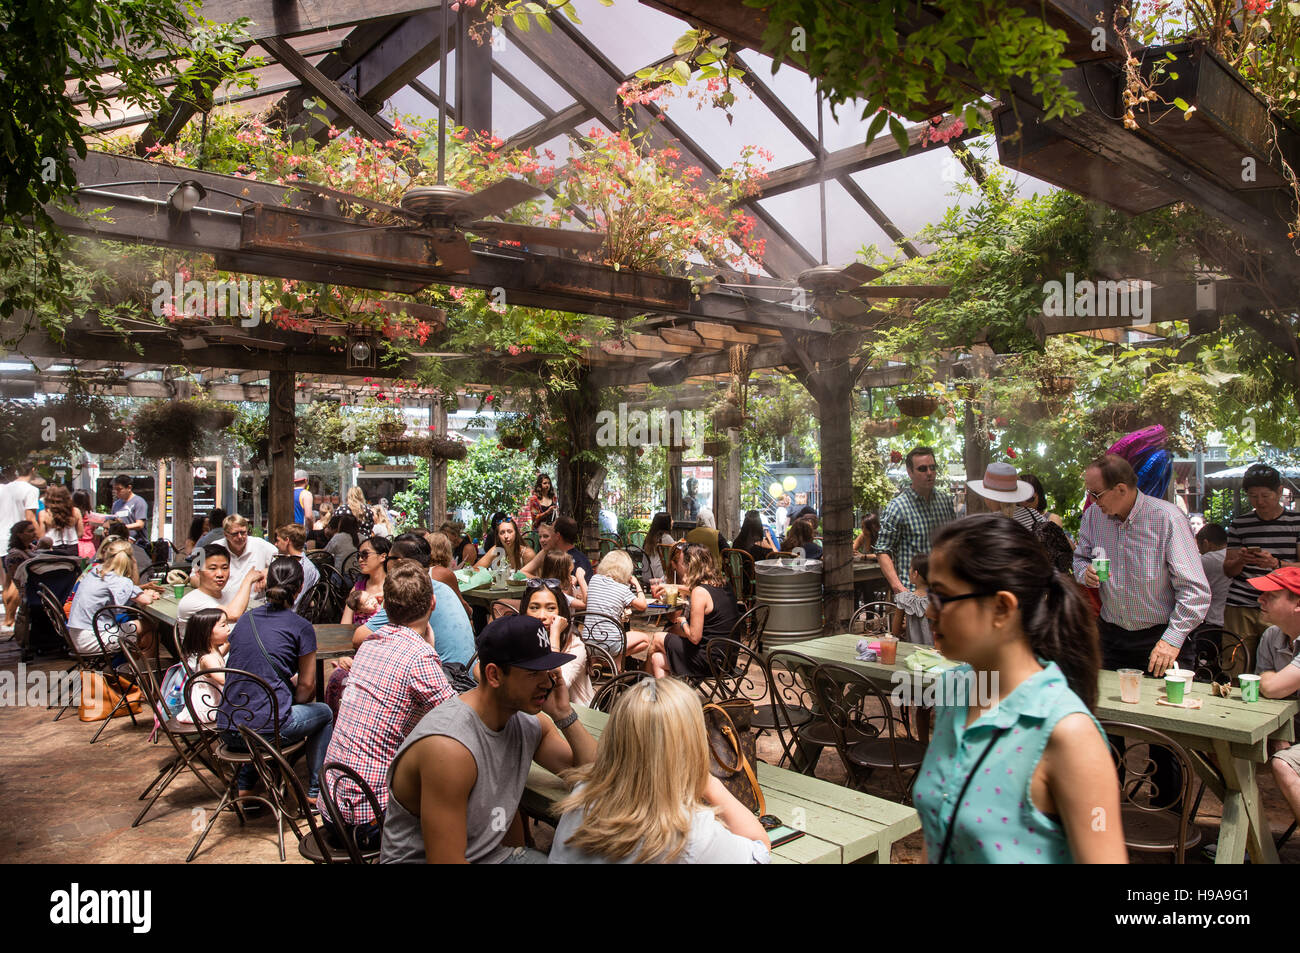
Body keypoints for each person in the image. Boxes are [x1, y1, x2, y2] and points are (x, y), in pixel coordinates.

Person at [914, 515, 1126, 863]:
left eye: (942, 596)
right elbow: (938, 835)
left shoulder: (1067, 734)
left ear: (1001, 607)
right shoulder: (955, 693)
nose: (930, 612)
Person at [380, 614, 599, 863]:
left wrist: (564, 713)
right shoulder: (449, 748)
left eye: (547, 670)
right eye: (533, 673)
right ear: (494, 675)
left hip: (490, 855)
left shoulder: (526, 723)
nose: (547, 681)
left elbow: (592, 774)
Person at [550, 677, 771, 864]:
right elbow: (759, 850)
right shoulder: (691, 832)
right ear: (692, 744)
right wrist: (709, 783)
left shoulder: (581, 796)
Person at [319, 560, 457, 850]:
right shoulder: (420, 657)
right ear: (432, 603)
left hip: (330, 809)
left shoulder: (369, 645)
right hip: (370, 820)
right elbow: (459, 720)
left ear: (385, 608)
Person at [1073, 454, 1209, 676]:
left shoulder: (1167, 518)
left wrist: (1172, 639)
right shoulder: (1093, 517)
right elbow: (1080, 559)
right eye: (1089, 494)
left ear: (1121, 489)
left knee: (1163, 708)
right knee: (1107, 707)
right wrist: (1083, 573)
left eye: (1096, 494)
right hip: (1111, 636)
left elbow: (1195, 591)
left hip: (1161, 636)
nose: (1092, 501)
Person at [221, 556, 333, 800]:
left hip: (227, 728)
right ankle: (316, 792)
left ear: (266, 583)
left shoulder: (245, 619)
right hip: (267, 731)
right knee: (324, 713)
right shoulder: (301, 626)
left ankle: (245, 786)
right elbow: (306, 685)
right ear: (301, 587)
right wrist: (294, 699)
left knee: (259, 707)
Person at [1223, 463, 1300, 657]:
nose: (1259, 501)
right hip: (1241, 603)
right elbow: (1228, 570)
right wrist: (1241, 559)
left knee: (1279, 660)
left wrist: (1276, 564)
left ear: (1280, 491)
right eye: (1253, 496)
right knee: (1235, 662)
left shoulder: (1296, 522)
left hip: (1281, 604)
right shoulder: (1240, 524)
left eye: (1265, 496)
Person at [1246, 567, 1300, 833]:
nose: (1260, 599)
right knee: (1222, 750)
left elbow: (1271, 686)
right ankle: (1250, 841)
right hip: (1289, 729)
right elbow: (1264, 694)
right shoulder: (1271, 635)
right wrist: (1279, 734)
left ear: (1297, 604)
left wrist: (1269, 683)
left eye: (1271, 595)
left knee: (1284, 764)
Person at [648, 544, 739, 680]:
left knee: (658, 638)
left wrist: (684, 622)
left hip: (708, 660)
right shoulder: (723, 583)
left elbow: (695, 638)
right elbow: (693, 589)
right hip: (727, 660)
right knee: (657, 658)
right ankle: (664, 695)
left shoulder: (699, 592)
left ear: (690, 565)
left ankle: (641, 679)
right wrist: (669, 586)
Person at [875, 446, 957, 597]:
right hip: (914, 594)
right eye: (922, 469)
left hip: (944, 589)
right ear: (910, 472)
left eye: (932, 467)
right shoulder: (897, 507)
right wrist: (898, 587)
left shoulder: (945, 501)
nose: (929, 473)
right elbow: (882, 550)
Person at [66, 538, 160, 655]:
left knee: (144, 636)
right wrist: (149, 594)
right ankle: (143, 671)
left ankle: (133, 669)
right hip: (93, 639)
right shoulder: (118, 580)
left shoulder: (96, 570)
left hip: (76, 635)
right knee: (151, 624)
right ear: (130, 559)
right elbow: (145, 600)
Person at [523, 577, 592, 706]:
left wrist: (554, 635)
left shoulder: (575, 646)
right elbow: (479, 669)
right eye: (534, 608)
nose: (542, 616)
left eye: (550, 608)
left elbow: (553, 688)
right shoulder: (524, 638)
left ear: (561, 612)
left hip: (577, 713)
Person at [177, 544, 262, 640]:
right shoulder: (191, 601)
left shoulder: (230, 595)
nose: (220, 574)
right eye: (212, 568)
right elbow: (234, 615)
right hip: (206, 655)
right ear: (198, 572)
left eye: (225, 568)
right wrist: (248, 580)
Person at [581, 550, 648, 658]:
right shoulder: (623, 589)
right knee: (645, 639)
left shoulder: (594, 579)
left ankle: (601, 664)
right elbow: (642, 606)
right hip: (610, 644)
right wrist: (637, 584)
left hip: (588, 642)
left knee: (620, 637)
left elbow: (589, 599)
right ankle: (617, 662)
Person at [176, 607, 231, 724]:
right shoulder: (208, 659)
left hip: (213, 703)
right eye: (223, 625)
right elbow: (223, 680)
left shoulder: (213, 651)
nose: (228, 629)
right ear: (207, 633)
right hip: (208, 709)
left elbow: (224, 649)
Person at [217, 514, 279, 604]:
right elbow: (194, 575)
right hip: (223, 603)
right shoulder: (215, 547)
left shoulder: (259, 544)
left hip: (254, 603)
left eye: (243, 532)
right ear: (226, 535)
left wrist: (269, 571)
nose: (240, 537)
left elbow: (282, 560)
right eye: (235, 534)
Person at [522, 516, 592, 585]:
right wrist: (542, 581)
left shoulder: (577, 562)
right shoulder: (548, 552)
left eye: (551, 530)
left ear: (557, 536)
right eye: (540, 537)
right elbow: (521, 573)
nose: (542, 540)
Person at [342, 535, 390, 626]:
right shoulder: (357, 588)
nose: (360, 559)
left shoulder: (395, 587)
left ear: (382, 556)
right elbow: (344, 625)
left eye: (365, 554)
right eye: (358, 556)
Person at [272, 523, 318, 612]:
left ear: (287, 541)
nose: (275, 544)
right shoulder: (294, 562)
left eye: (278, 540)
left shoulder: (304, 568)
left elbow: (295, 603)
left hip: (289, 615)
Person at [2, 520, 38, 632]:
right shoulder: (15, 555)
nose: (34, 533)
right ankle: (9, 619)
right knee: (9, 586)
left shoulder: (31, 548)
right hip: (29, 591)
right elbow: (18, 579)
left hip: (35, 588)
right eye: (30, 531)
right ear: (20, 535)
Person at [1195, 523, 1231, 630]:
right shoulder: (1234, 556)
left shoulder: (1207, 560)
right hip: (1233, 620)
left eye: (1199, 547)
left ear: (1206, 543)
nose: (1200, 551)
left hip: (1213, 621)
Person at [895, 553, 933, 645]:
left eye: (910, 568)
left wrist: (907, 627)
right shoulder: (937, 599)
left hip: (913, 651)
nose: (909, 570)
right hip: (935, 652)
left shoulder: (904, 599)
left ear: (915, 574)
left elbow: (895, 631)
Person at [38, 485, 82, 556]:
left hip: (51, 547)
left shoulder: (43, 514)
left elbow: (41, 537)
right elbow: (80, 533)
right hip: (72, 547)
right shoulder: (76, 511)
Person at [109, 474, 149, 542]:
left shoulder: (139, 502)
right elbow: (112, 521)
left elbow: (140, 524)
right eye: (115, 489)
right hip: (119, 543)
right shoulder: (116, 504)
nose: (117, 492)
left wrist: (122, 528)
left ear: (129, 488)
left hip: (137, 544)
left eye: (119, 489)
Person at [644, 511, 676, 578]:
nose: (673, 522)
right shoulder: (665, 537)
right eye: (671, 520)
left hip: (646, 573)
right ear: (665, 524)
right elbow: (676, 550)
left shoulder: (650, 536)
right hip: (659, 574)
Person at [72, 490, 102, 560]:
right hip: (90, 547)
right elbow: (97, 535)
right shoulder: (94, 517)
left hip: (75, 546)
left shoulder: (71, 516)